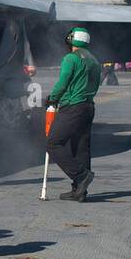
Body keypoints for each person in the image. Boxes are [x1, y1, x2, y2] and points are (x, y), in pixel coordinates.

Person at [46, 27, 103, 202]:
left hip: (72, 106)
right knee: (81, 148)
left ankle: (81, 176)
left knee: (53, 143)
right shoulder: (94, 60)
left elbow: (63, 82)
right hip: (88, 106)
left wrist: (52, 98)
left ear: (72, 39)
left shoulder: (71, 58)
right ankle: (79, 190)